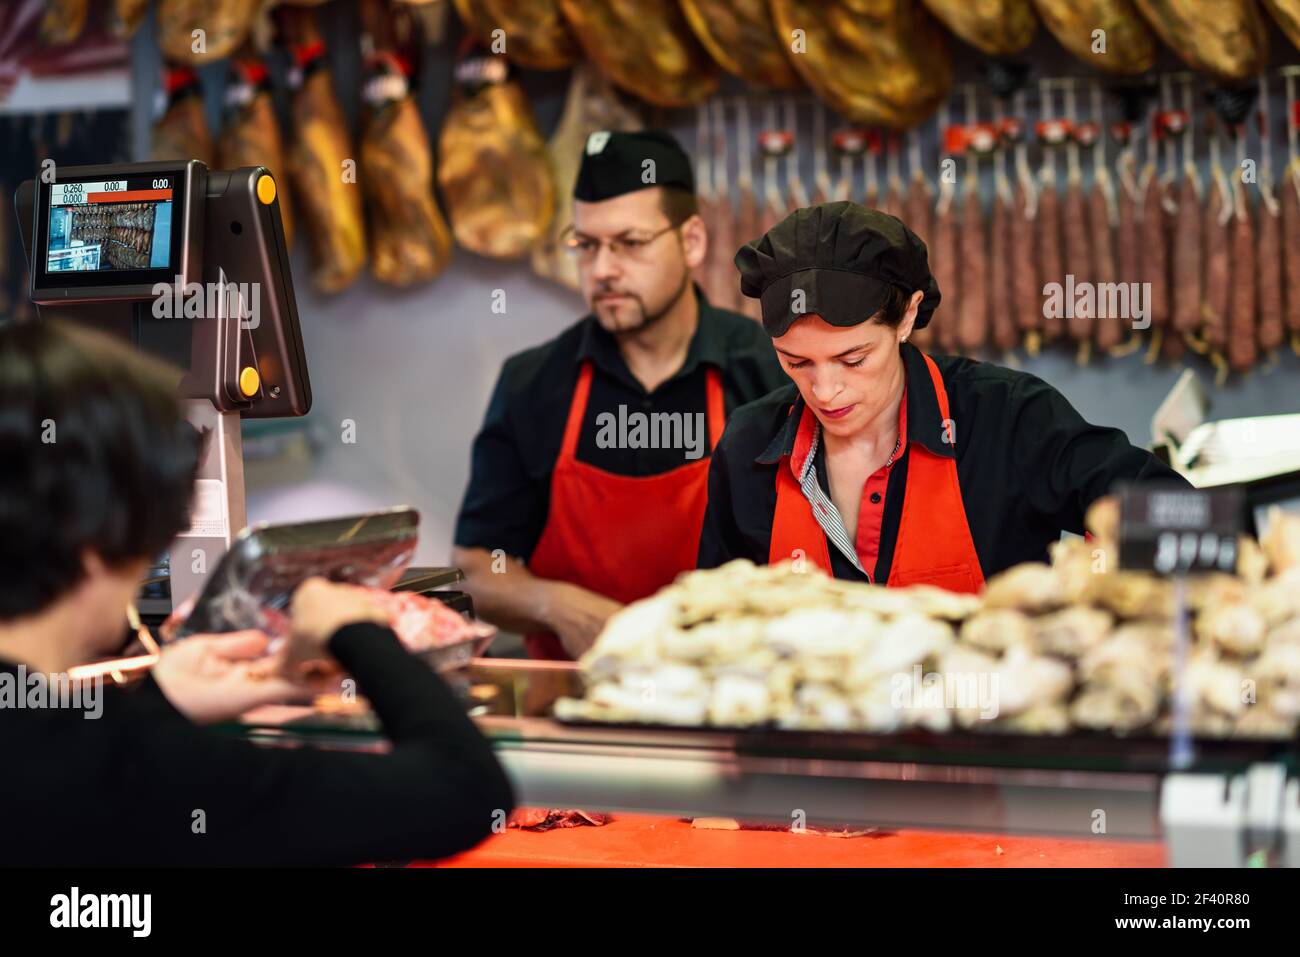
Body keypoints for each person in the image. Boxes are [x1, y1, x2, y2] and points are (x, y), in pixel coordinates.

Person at [0, 320, 514, 866]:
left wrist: (159, 702)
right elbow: (465, 791)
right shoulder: (132, 772)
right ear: (97, 541)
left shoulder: (81, 749)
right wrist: (353, 628)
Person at [698, 201, 1190, 588]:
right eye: (796, 362)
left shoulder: (1005, 416)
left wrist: (1094, 585)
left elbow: (1184, 521)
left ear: (908, 317)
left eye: (854, 359)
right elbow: (712, 621)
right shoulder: (749, 447)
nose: (825, 391)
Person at [453, 130, 788, 660]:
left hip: (734, 693)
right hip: (576, 701)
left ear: (692, 242)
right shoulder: (534, 382)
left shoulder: (771, 371)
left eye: (630, 244)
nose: (602, 270)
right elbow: (477, 567)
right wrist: (554, 605)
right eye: (586, 246)